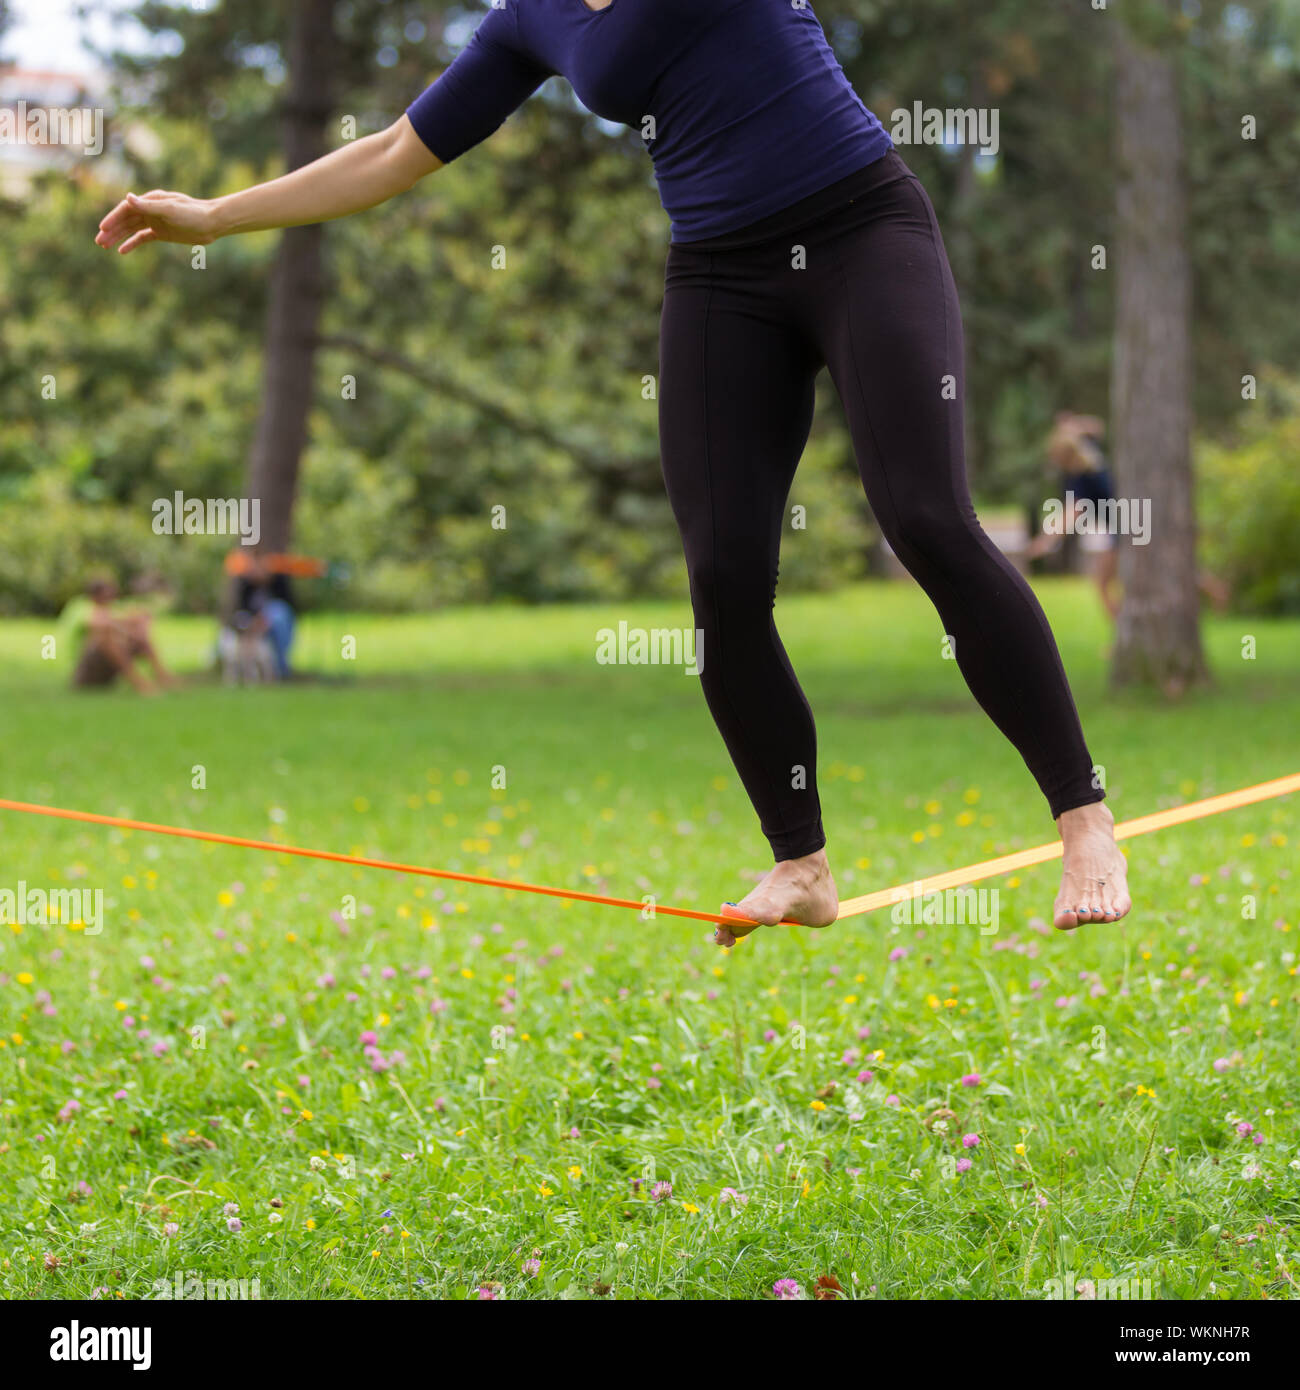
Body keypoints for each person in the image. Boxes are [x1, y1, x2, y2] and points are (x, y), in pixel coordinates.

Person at [93, 0, 1131, 937]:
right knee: (722, 576)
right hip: (720, 273)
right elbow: (399, 149)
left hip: (860, 227)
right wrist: (217, 215)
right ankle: (799, 863)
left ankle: (1082, 819)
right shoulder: (526, 22)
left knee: (928, 521)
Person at [60, 577, 177, 694]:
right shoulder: (81, 606)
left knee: (139, 639)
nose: (113, 596)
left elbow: (139, 618)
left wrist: (133, 630)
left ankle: (163, 677)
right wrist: (124, 624)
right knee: (104, 637)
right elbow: (100, 623)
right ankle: (140, 684)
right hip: (84, 672)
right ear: (96, 594)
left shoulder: (111, 608)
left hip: (107, 671)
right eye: (108, 593)